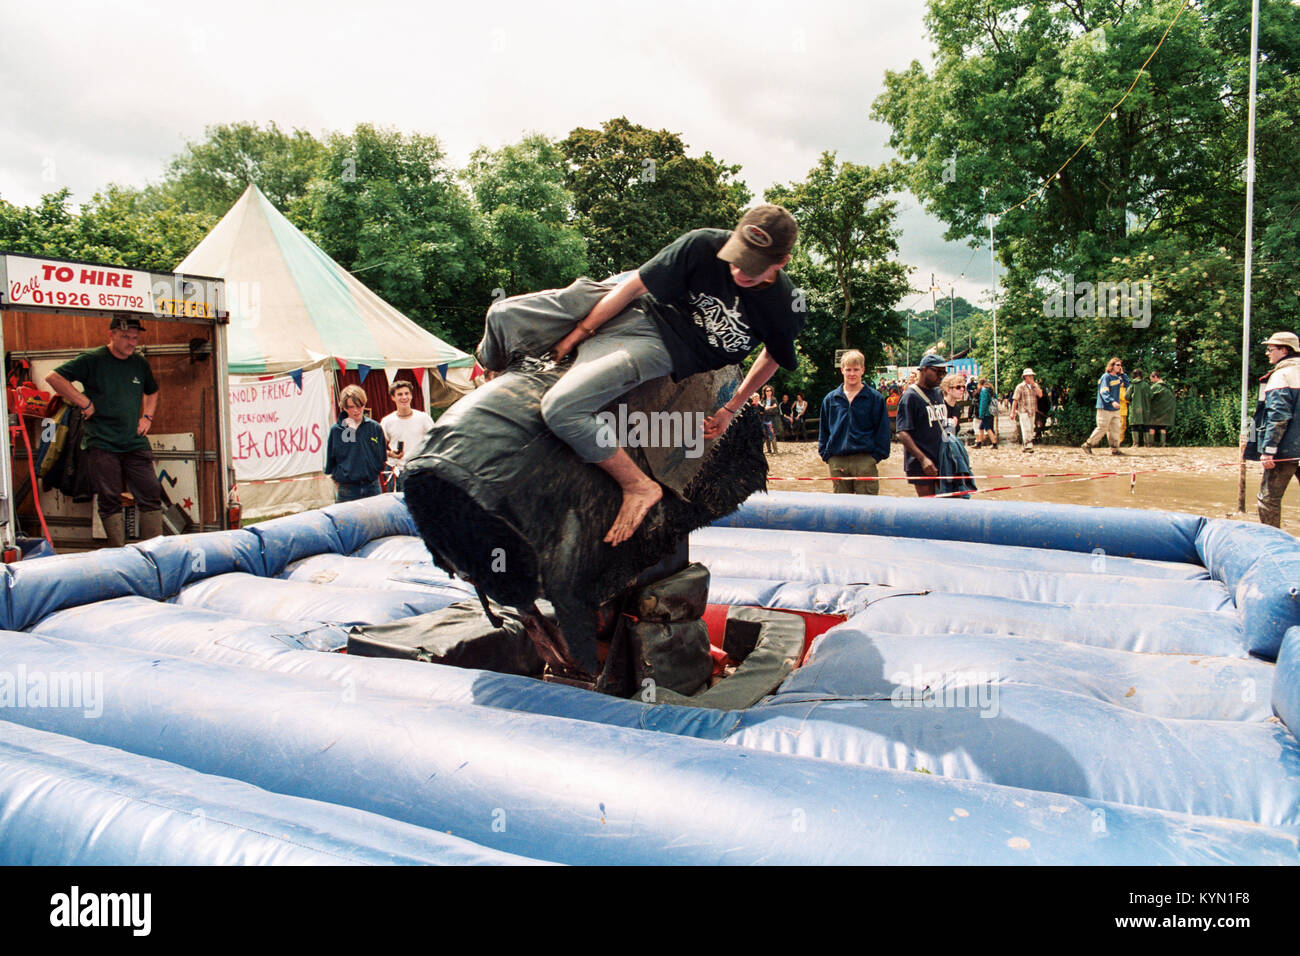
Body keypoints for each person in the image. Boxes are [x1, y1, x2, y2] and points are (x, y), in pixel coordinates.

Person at [538, 204, 802, 546]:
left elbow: (773, 355)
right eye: (737, 257)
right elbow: (635, 284)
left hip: (667, 346)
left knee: (561, 408)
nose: (738, 270)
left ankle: (638, 485)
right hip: (637, 302)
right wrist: (579, 333)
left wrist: (730, 408)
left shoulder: (787, 305)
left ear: (781, 262)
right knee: (505, 313)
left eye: (752, 267)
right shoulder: (703, 244)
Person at [44, 316, 163, 548]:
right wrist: (82, 401)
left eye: (135, 338)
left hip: (134, 442)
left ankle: (156, 551)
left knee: (150, 492)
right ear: (111, 335)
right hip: (102, 442)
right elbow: (53, 377)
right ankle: (119, 551)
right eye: (126, 337)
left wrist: (147, 416)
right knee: (109, 498)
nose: (132, 342)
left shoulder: (139, 363)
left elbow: (152, 391)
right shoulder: (93, 360)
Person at [818, 349, 890, 495]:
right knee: (842, 510)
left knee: (866, 509)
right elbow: (824, 429)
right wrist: (826, 454)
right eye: (848, 369)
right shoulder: (831, 399)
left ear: (862, 370)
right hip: (837, 460)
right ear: (842, 370)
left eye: (856, 369)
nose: (852, 373)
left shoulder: (875, 398)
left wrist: (875, 456)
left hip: (865, 460)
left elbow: (883, 430)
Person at [1257, 332, 1300, 528]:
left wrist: (1269, 450)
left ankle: (1273, 545)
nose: (1267, 353)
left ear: (1284, 350)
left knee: (1268, 500)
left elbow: (1278, 416)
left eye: (1270, 349)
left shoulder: (1281, 375)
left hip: (1285, 452)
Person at [896, 354, 949, 497]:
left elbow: (944, 424)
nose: (941, 376)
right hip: (922, 464)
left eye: (944, 373)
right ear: (924, 370)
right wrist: (923, 459)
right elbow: (902, 433)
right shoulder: (910, 397)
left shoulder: (938, 393)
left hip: (942, 459)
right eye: (937, 372)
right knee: (929, 507)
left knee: (948, 504)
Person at [324, 384, 386, 502]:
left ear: (364, 404)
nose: (356, 410)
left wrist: (373, 471)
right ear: (344, 408)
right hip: (347, 490)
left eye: (359, 406)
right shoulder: (337, 430)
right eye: (351, 407)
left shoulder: (375, 427)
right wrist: (340, 479)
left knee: (375, 520)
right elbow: (331, 461)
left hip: (372, 487)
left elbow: (382, 456)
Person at [380, 379, 434, 491]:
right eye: (399, 394)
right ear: (393, 398)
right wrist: (392, 454)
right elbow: (377, 448)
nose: (404, 397)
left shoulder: (423, 418)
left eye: (407, 393)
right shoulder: (387, 421)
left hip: (418, 471)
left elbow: (435, 441)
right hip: (395, 471)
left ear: (411, 396)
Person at [939, 373, 977, 497]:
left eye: (963, 387)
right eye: (958, 387)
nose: (962, 390)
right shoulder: (939, 405)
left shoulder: (956, 408)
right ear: (948, 389)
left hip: (951, 443)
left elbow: (952, 427)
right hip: (940, 447)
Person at [1082, 357, 1129, 455]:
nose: (1120, 367)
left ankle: (1115, 449)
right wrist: (1111, 401)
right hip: (1104, 407)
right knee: (1102, 428)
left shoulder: (1117, 377)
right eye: (1117, 365)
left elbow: (1127, 384)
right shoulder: (1106, 377)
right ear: (1111, 366)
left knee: (1115, 429)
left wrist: (1123, 374)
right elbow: (1104, 391)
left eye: (1120, 365)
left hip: (1114, 408)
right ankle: (1088, 444)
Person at [1011, 368, 1043, 454]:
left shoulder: (1035, 386)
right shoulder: (1020, 387)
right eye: (1029, 376)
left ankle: (1025, 445)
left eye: (1032, 376)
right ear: (1025, 377)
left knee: (1031, 428)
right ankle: (1028, 445)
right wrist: (1012, 412)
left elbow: (1040, 395)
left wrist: (1035, 386)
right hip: (1023, 410)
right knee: (1026, 428)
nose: (1031, 377)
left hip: (1032, 410)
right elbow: (1015, 400)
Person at [1146, 371, 1176, 447]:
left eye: (1151, 379)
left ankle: (1150, 444)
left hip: (1155, 410)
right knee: (1162, 427)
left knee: (1152, 426)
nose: (1151, 381)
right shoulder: (1168, 386)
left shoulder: (1156, 386)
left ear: (1155, 377)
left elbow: (1148, 396)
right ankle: (1163, 443)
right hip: (1166, 410)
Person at [1128, 369, 1151, 446]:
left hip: (1135, 408)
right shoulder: (1146, 385)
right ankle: (1147, 444)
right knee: (1146, 426)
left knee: (1134, 426)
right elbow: (1151, 395)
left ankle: (1135, 444)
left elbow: (1127, 396)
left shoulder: (1132, 385)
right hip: (1145, 408)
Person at [976, 378, 998, 448]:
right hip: (991, 411)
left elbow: (983, 402)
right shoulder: (991, 390)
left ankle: (994, 443)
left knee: (987, 428)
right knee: (981, 427)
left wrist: (981, 413)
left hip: (986, 412)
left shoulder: (983, 390)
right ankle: (979, 443)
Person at [760, 384, 780, 454]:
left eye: (769, 391)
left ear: (772, 392)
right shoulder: (763, 400)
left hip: (771, 420)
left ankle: (775, 450)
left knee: (772, 434)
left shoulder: (774, 400)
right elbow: (761, 410)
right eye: (767, 391)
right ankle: (769, 450)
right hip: (764, 419)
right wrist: (767, 409)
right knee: (766, 435)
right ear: (764, 392)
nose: (768, 392)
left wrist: (768, 409)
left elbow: (776, 410)